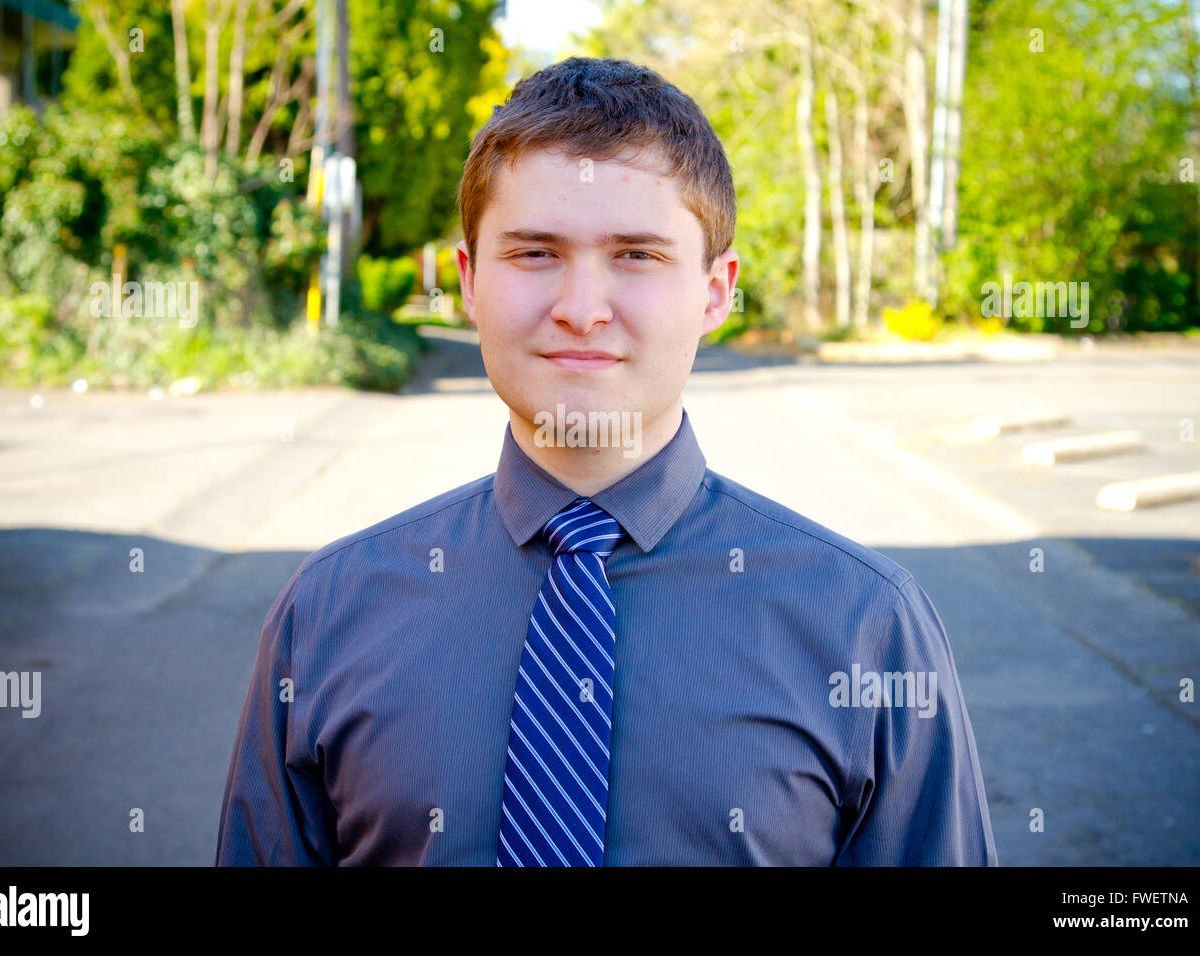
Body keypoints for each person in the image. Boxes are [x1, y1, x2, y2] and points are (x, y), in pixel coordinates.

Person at [214, 56, 997, 867]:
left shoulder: (866, 626)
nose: (582, 310)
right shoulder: (329, 613)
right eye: (534, 253)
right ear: (470, 282)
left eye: (637, 255)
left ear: (716, 292)